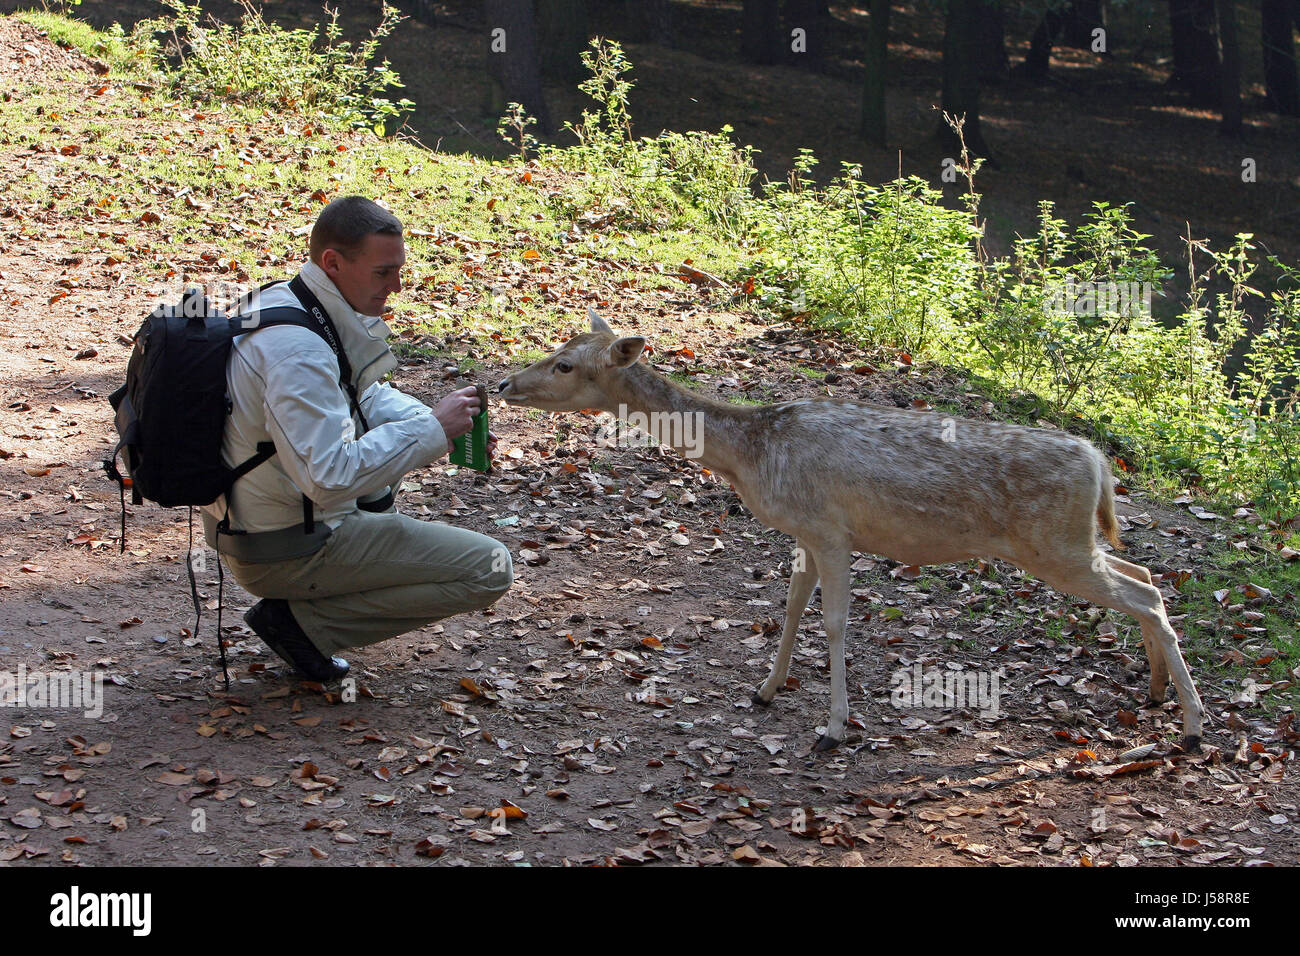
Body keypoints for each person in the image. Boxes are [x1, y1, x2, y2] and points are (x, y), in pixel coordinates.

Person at [199, 195, 512, 682]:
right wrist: (431, 429)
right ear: (333, 263)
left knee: (384, 480)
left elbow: (357, 393)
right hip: (283, 548)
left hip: (257, 526)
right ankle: (302, 625)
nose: (397, 287)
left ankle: (306, 610)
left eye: (399, 271)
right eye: (383, 273)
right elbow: (328, 478)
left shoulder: (289, 302)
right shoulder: (297, 352)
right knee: (490, 567)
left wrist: (440, 426)